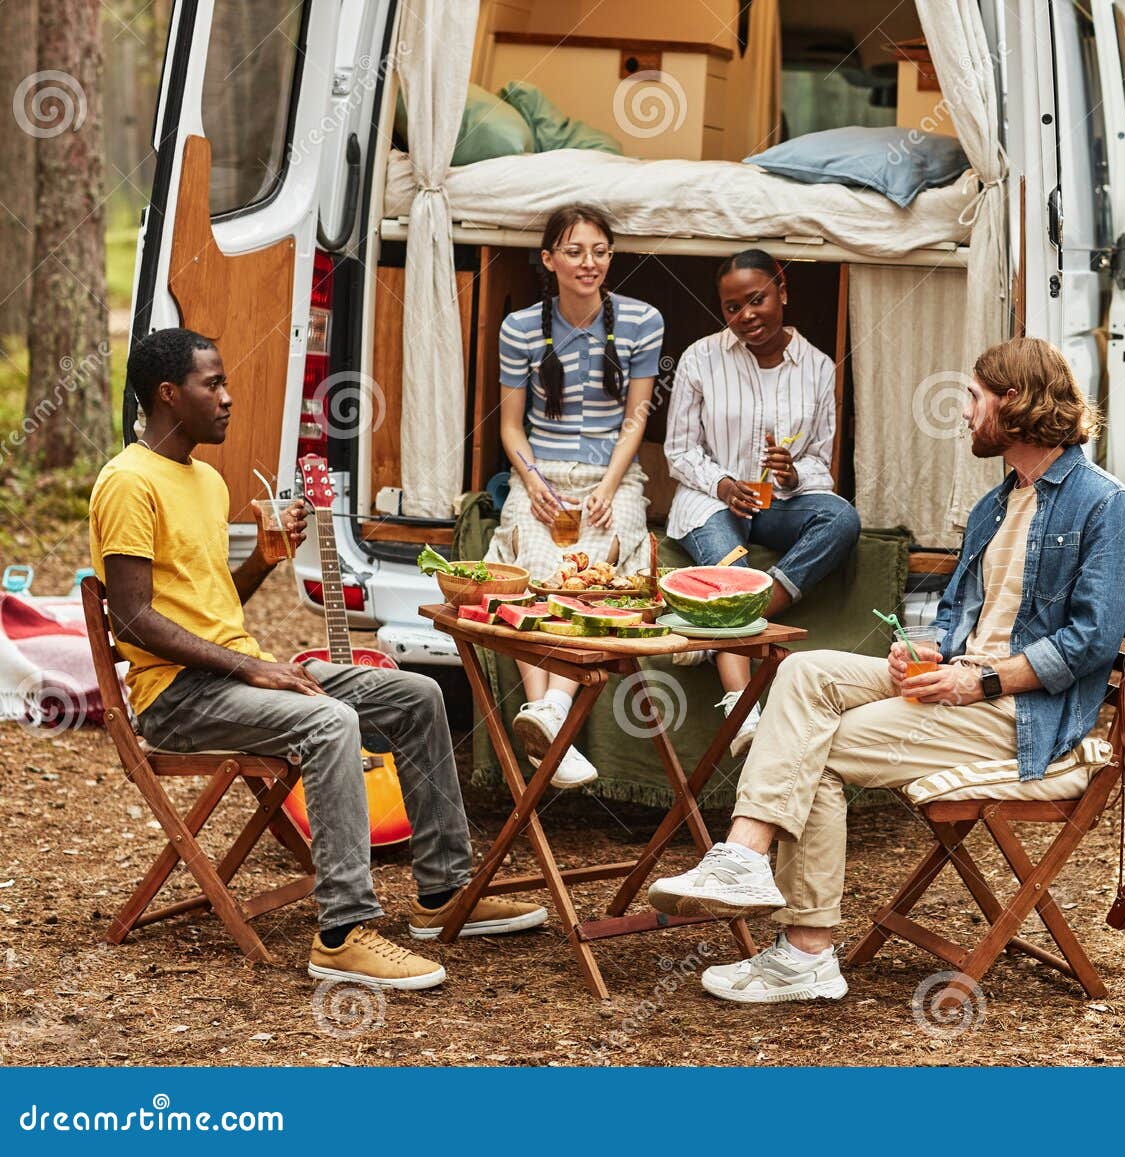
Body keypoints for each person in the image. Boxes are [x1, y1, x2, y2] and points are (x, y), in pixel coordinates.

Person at [646, 336, 1125, 1002]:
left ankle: (807, 951)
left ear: (1016, 401)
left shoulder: (1106, 506)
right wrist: (927, 649)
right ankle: (741, 859)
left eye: (973, 398)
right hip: (963, 683)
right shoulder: (999, 503)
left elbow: (1088, 641)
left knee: (812, 750)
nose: (964, 413)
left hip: (1021, 714)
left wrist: (980, 680)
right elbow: (957, 615)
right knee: (802, 672)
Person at [91, 329, 545, 991]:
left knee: (416, 695)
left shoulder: (207, 481)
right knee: (330, 721)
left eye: (223, 382)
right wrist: (250, 667)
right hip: (178, 697)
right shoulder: (128, 482)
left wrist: (263, 561)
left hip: (228, 671)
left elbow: (214, 603)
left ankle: (443, 892)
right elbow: (132, 617)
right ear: (168, 394)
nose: (227, 397)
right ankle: (342, 932)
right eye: (211, 384)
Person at [485, 204, 664, 788]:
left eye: (600, 251)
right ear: (549, 260)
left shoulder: (642, 319)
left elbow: (636, 418)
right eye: (574, 251)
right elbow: (511, 426)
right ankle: (549, 722)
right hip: (544, 474)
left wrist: (610, 487)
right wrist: (534, 482)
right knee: (532, 572)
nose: (589, 263)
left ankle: (548, 715)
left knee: (600, 576)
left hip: (613, 475)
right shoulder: (520, 327)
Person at [662, 249, 861, 755]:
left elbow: (821, 462)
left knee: (840, 518)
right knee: (732, 565)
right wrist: (725, 484)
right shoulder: (699, 359)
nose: (746, 315)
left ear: (782, 292)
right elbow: (680, 452)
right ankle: (743, 709)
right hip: (710, 504)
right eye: (732, 308)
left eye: (757, 300)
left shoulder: (817, 366)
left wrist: (794, 473)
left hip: (777, 505)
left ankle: (735, 620)